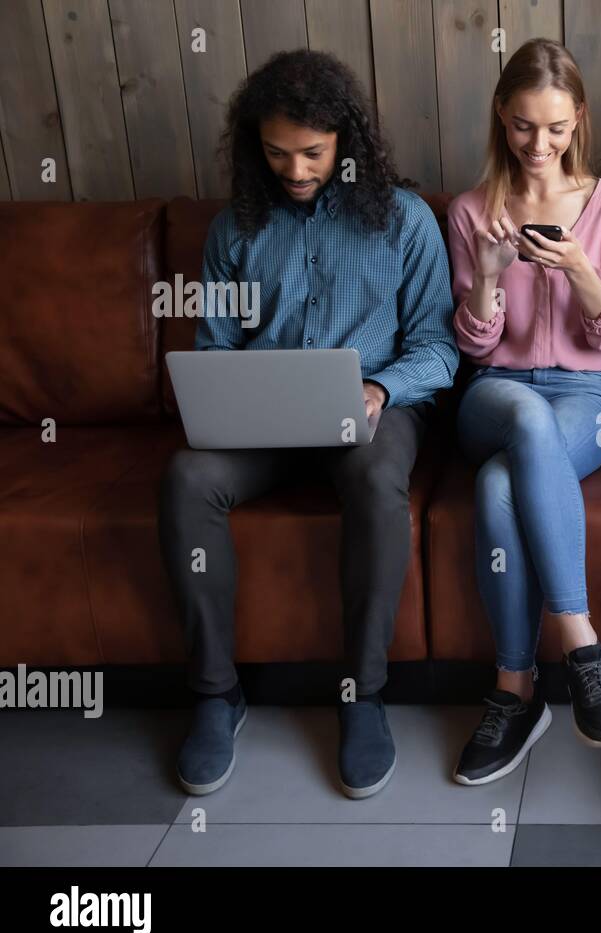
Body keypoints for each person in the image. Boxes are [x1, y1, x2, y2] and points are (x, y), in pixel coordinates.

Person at [159, 50, 458, 799]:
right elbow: (215, 349)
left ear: (346, 143)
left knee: (375, 473)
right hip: (265, 425)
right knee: (187, 477)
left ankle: (362, 693)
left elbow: (439, 346)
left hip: (372, 414)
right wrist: (224, 393)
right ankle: (215, 693)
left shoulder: (405, 219)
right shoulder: (235, 231)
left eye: (314, 154)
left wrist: (381, 390)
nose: (294, 170)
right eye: (276, 153)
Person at [447, 39, 601, 785]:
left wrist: (584, 273)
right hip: (497, 393)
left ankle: (515, 691)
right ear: (502, 116)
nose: (540, 144)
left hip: (587, 395)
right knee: (522, 422)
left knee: (500, 485)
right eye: (525, 125)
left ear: (579, 120)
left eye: (557, 128)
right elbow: (473, 342)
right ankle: (582, 645)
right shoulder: (472, 211)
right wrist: (488, 282)